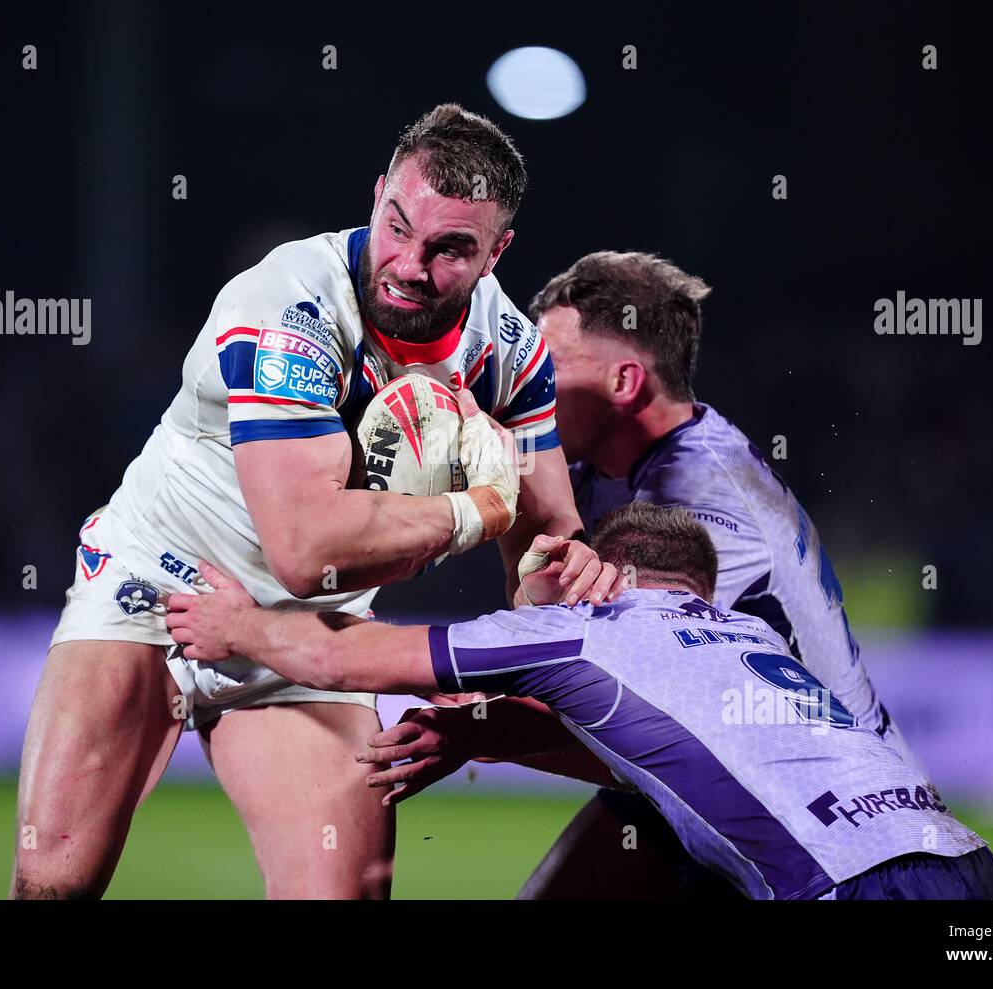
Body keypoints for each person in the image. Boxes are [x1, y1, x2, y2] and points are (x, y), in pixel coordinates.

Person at [12, 104, 605, 900]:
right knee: (53, 883)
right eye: (398, 226)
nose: (409, 263)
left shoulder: (511, 354)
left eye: (449, 249)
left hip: (306, 641)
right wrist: (478, 510)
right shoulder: (288, 305)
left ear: (497, 251)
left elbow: (544, 552)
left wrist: (562, 594)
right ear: (376, 197)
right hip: (152, 587)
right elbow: (303, 546)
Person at [361, 250, 929, 897]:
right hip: (717, 779)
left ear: (625, 384)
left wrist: (486, 725)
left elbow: (639, 720)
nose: (528, 389)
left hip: (819, 803)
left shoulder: (705, 506)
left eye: (546, 370)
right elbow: (540, 613)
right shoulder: (600, 464)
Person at [166, 503, 993, 900]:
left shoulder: (584, 630)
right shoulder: (754, 643)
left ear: (603, 573)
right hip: (963, 862)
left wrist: (242, 623)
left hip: (846, 888)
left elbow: (350, 660)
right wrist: (482, 734)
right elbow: (657, 754)